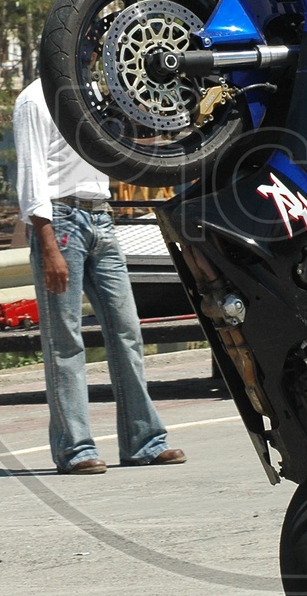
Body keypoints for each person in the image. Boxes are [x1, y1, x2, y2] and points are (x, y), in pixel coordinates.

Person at [13, 76, 186, 474]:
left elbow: (119, 142)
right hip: (59, 221)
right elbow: (32, 175)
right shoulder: (34, 99)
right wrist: (48, 245)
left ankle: (144, 441)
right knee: (65, 339)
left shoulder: (90, 91)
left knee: (127, 330)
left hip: (100, 216)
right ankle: (74, 449)